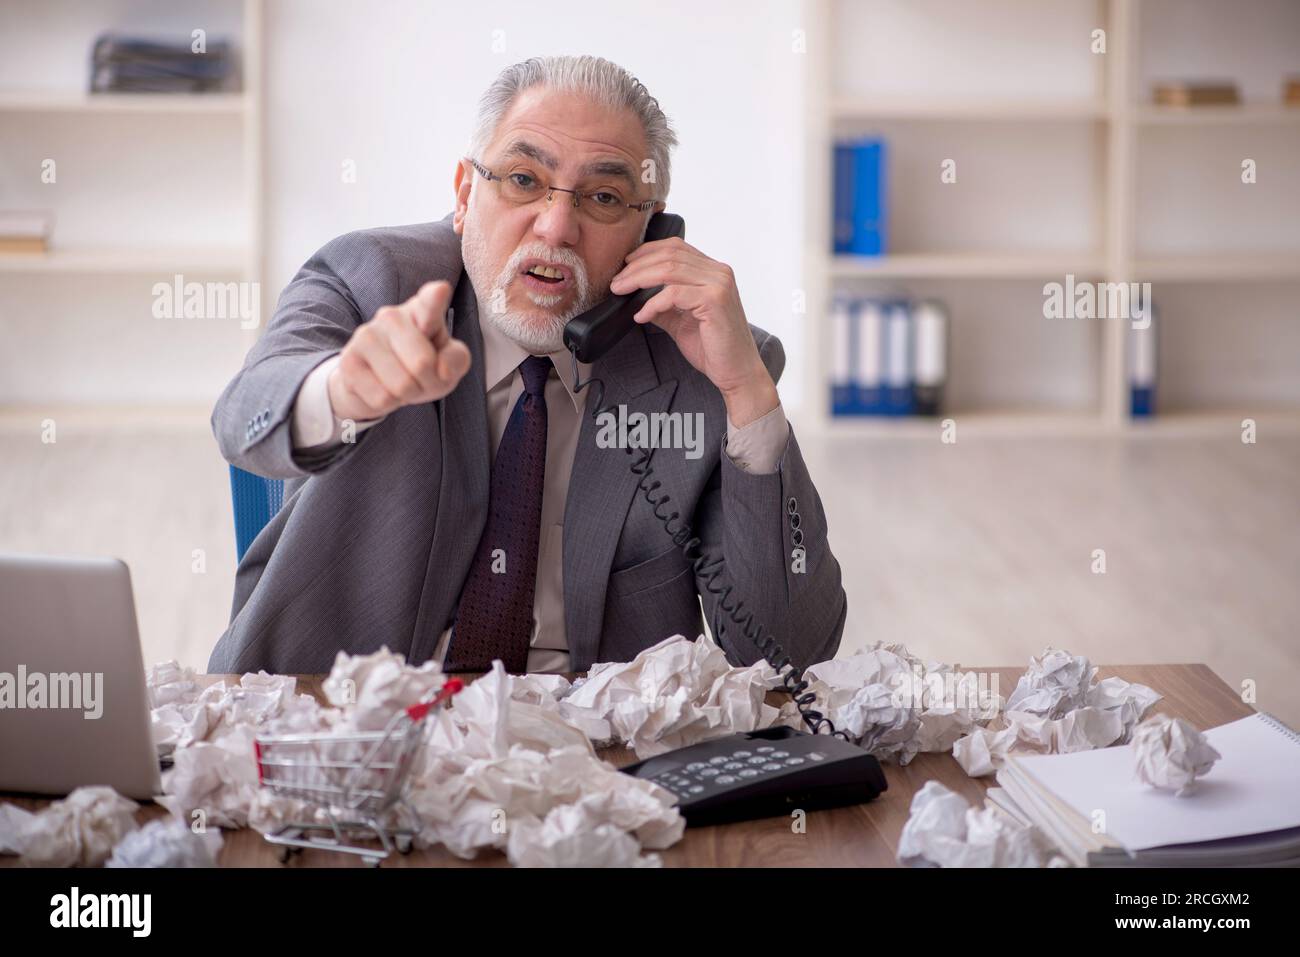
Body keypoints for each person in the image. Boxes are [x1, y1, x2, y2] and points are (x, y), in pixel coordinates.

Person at [207, 55, 845, 676]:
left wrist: (746, 394)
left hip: (594, 754)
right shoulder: (369, 279)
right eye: (522, 180)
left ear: (651, 232)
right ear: (465, 194)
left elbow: (791, 651)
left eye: (602, 196)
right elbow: (242, 419)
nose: (556, 225)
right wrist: (341, 392)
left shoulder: (706, 357)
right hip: (341, 732)